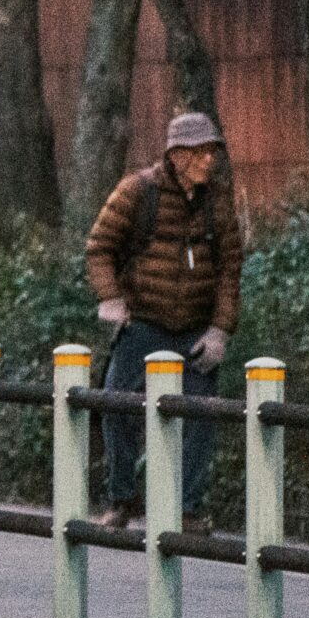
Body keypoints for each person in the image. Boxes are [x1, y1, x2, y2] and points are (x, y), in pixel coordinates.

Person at [85, 112, 242, 530]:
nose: (209, 160)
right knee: (115, 404)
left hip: (195, 324)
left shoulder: (218, 200)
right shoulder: (138, 191)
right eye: (200, 152)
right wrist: (111, 299)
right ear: (176, 155)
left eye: (212, 151)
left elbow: (230, 268)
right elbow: (99, 247)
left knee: (200, 417)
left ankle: (186, 508)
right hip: (144, 321)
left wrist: (220, 330)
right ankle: (121, 499)